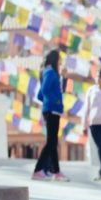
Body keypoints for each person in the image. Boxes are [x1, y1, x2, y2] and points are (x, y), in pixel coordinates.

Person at [32, 50, 68, 182]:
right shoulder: (50, 72)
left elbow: (41, 95)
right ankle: (38, 170)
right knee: (51, 142)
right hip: (52, 111)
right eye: (59, 59)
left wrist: (50, 102)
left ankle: (55, 172)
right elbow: (45, 91)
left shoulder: (51, 73)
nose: (61, 62)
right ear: (54, 59)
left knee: (52, 142)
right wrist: (55, 102)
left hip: (52, 110)